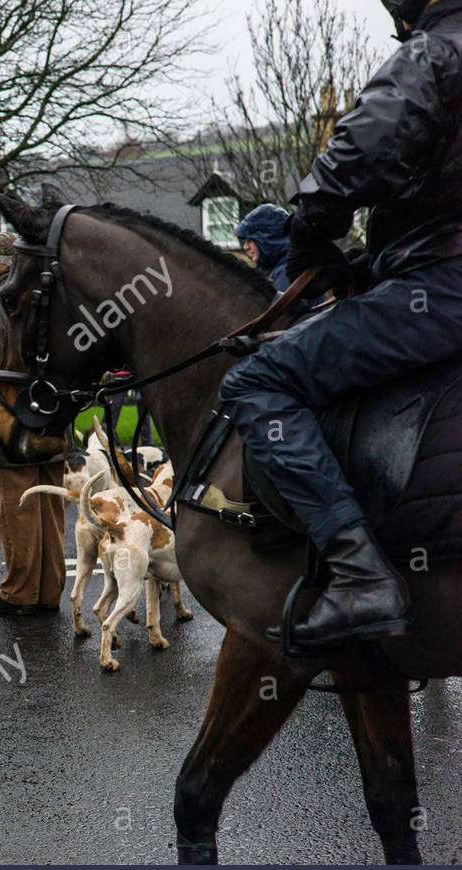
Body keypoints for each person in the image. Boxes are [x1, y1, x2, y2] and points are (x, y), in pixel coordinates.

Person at [218, 0, 462, 652]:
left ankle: (360, 578)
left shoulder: (437, 51)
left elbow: (357, 155)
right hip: (429, 271)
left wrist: (310, 236)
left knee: (256, 383)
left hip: (442, 289)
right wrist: (368, 263)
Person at [0, 232, 67, 616]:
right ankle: (49, 593)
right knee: (49, 511)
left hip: (11, 423)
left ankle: (20, 594)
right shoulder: (51, 299)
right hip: (53, 420)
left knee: (17, 511)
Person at [234, 203, 293, 293]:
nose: (245, 247)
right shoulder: (282, 270)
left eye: (250, 241)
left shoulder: (287, 274)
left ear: (267, 240)